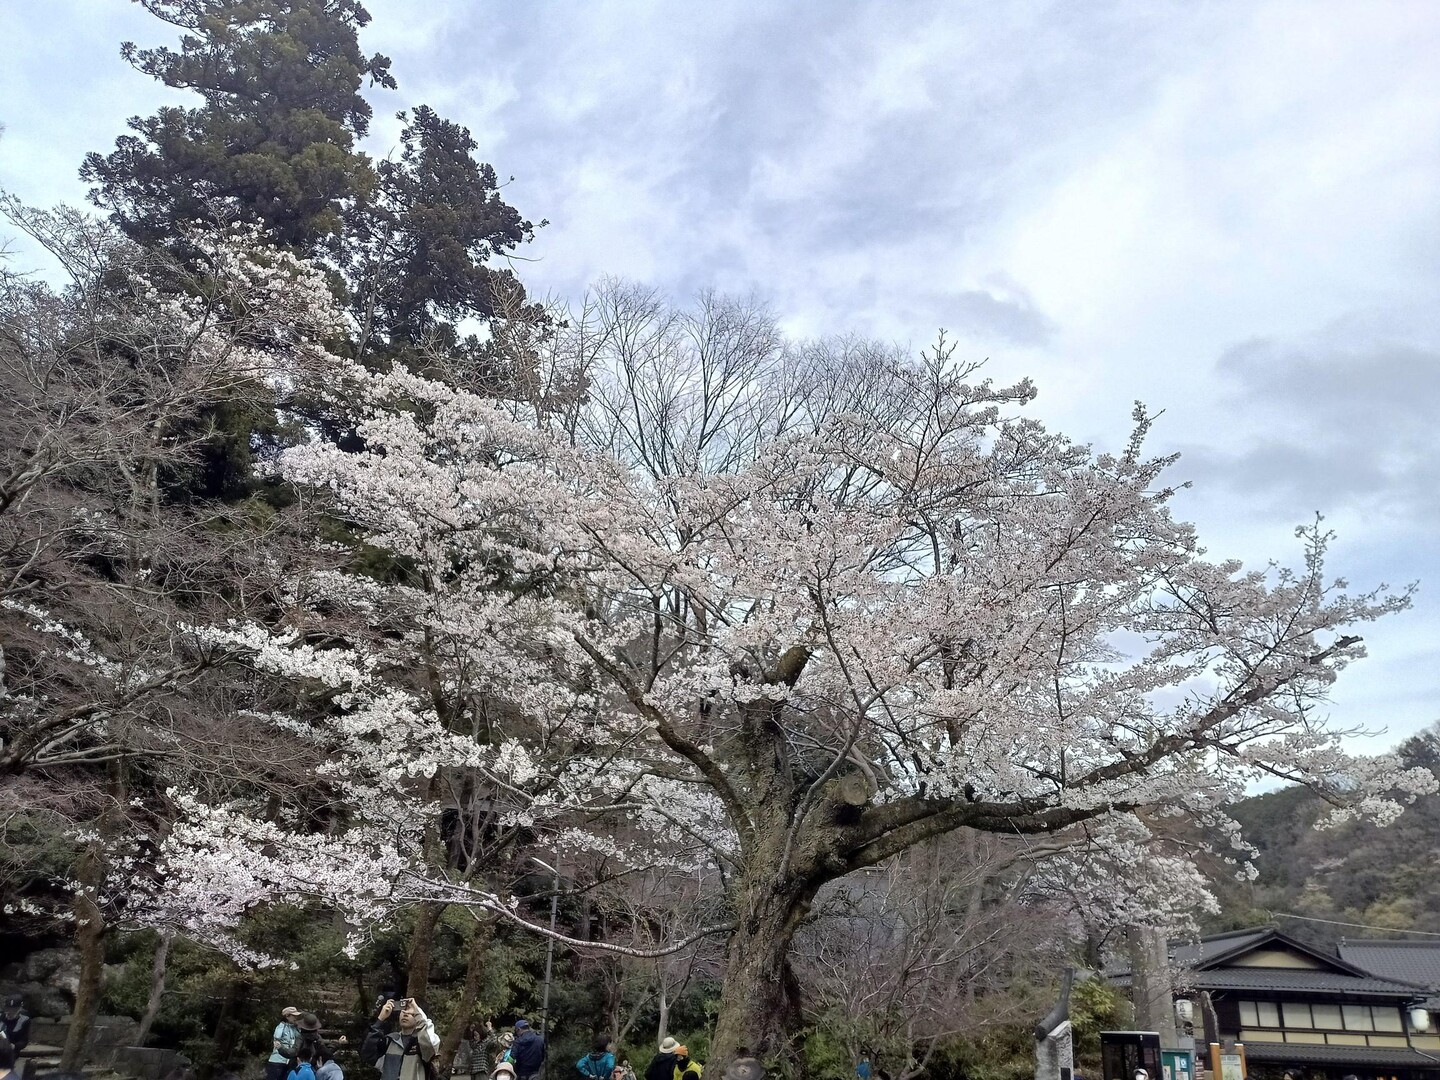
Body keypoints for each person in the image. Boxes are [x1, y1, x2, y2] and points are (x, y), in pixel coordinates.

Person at [361, 998, 441, 1080]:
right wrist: (380, 1019)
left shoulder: (423, 1043)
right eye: (403, 1010)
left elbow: (429, 1044)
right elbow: (368, 1055)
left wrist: (418, 1014)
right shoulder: (390, 1041)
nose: (405, 1013)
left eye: (411, 1012)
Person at [269, 1008, 304, 1080]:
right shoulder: (281, 1027)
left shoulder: (296, 1028)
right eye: (293, 1016)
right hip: (278, 1061)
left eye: (296, 1016)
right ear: (287, 1016)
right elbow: (276, 1041)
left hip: (290, 1062)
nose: (296, 1018)